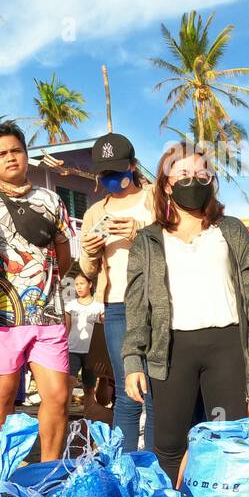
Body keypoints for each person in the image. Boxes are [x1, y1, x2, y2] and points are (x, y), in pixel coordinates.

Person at [123, 144, 249, 485]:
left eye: (200, 174)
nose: (191, 181)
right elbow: (136, 305)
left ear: (211, 181)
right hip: (171, 349)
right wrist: (133, 359)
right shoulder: (148, 241)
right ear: (165, 183)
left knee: (230, 440)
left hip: (226, 345)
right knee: (168, 443)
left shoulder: (231, 230)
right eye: (182, 174)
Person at [0, 121, 75, 461]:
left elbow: (65, 253)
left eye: (16, 150)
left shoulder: (51, 200)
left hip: (48, 315)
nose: (10, 158)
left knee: (59, 396)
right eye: (1, 154)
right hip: (2, 316)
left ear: (26, 155)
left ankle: (49, 470)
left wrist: (60, 296)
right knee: (3, 396)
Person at [77, 131, 156, 450]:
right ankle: (125, 470)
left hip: (156, 303)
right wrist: (92, 250)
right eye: (105, 173)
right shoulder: (95, 213)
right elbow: (86, 270)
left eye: (117, 172)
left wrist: (142, 234)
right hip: (117, 306)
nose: (111, 179)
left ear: (133, 166)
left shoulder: (155, 200)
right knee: (126, 391)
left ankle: (154, 466)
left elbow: (176, 245)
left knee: (155, 390)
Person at [66, 271, 103, 398]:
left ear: (90, 284)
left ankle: (88, 415)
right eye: (76, 284)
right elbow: (66, 328)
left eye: (82, 283)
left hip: (91, 352)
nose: (79, 287)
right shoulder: (70, 306)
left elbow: (101, 330)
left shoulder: (99, 306)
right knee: (69, 384)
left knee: (89, 388)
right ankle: (64, 416)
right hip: (73, 350)